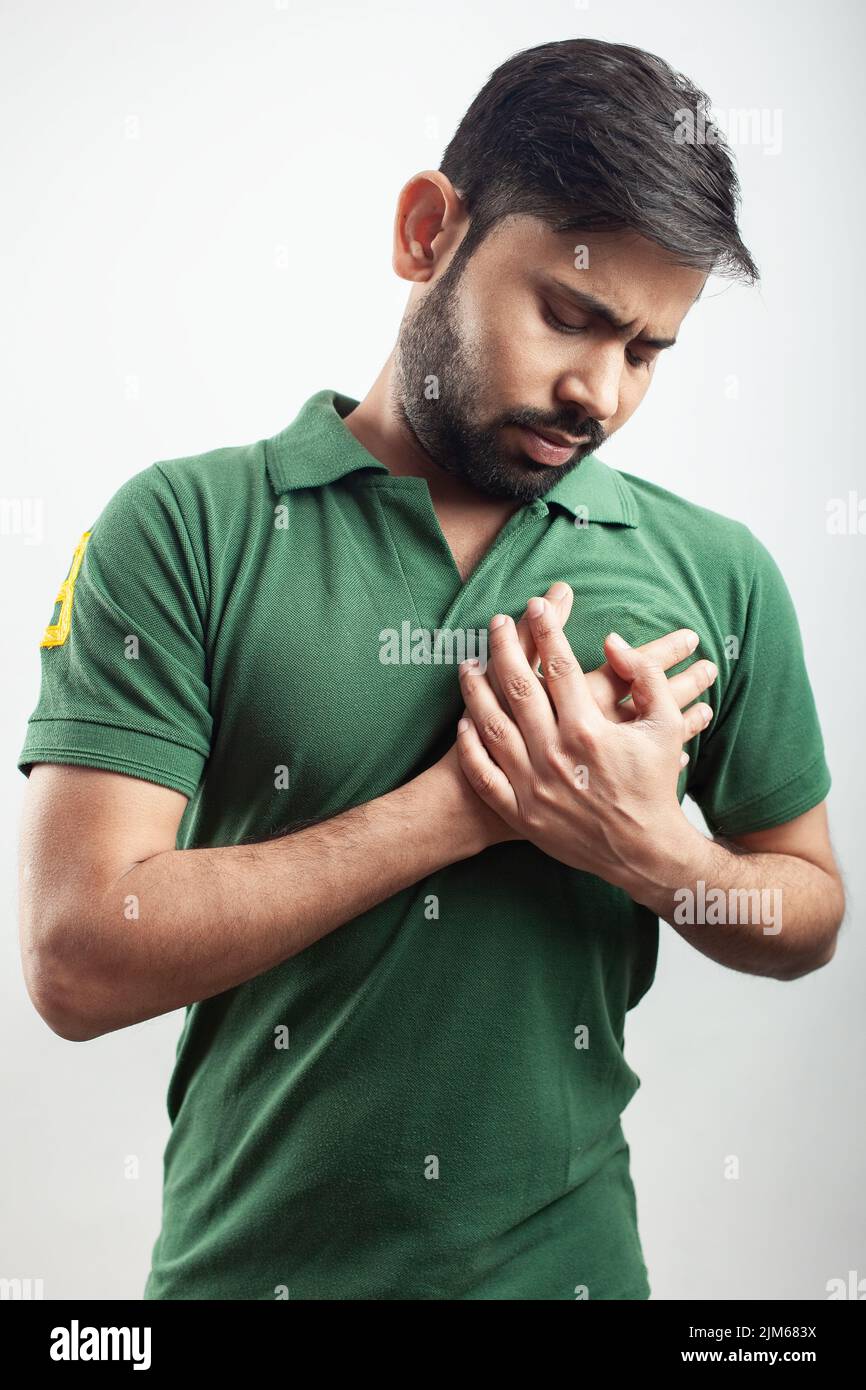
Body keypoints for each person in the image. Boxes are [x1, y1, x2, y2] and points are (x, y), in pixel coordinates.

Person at [17, 37, 843, 1300]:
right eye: (567, 316)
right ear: (425, 232)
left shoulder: (715, 572)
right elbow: (76, 959)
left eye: (646, 350)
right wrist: (454, 813)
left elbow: (805, 913)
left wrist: (652, 850)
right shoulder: (185, 528)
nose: (598, 392)